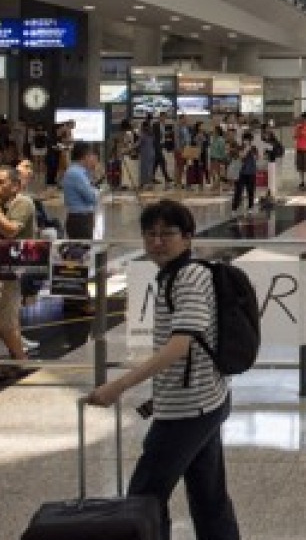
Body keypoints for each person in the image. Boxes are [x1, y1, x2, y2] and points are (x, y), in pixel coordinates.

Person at [86, 199, 241, 540]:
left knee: (145, 497)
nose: (157, 241)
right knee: (208, 497)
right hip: (205, 401)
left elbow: (179, 345)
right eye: (150, 234)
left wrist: (119, 385)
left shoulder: (188, 278)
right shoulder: (173, 275)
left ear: (187, 237)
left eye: (167, 233)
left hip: (188, 409)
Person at [0, 166, 34, 368]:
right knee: (4, 317)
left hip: (12, 267)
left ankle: (22, 362)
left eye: (1, 182)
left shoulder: (22, 202)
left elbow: (10, 231)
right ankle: (7, 362)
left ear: (15, 186)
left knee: (2, 319)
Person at [62, 143, 99, 241]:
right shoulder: (76, 174)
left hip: (82, 218)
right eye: (91, 155)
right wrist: (96, 190)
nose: (93, 159)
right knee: (82, 252)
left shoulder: (80, 172)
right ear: (85, 156)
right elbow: (91, 197)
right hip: (80, 220)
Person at [231, 133, 258, 216]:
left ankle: (250, 207)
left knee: (251, 191)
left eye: (248, 140)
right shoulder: (239, 147)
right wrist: (246, 150)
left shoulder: (253, 148)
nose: (246, 141)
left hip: (251, 172)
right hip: (241, 173)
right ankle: (234, 208)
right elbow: (240, 156)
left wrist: (252, 152)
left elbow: (256, 158)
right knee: (238, 191)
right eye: (245, 139)